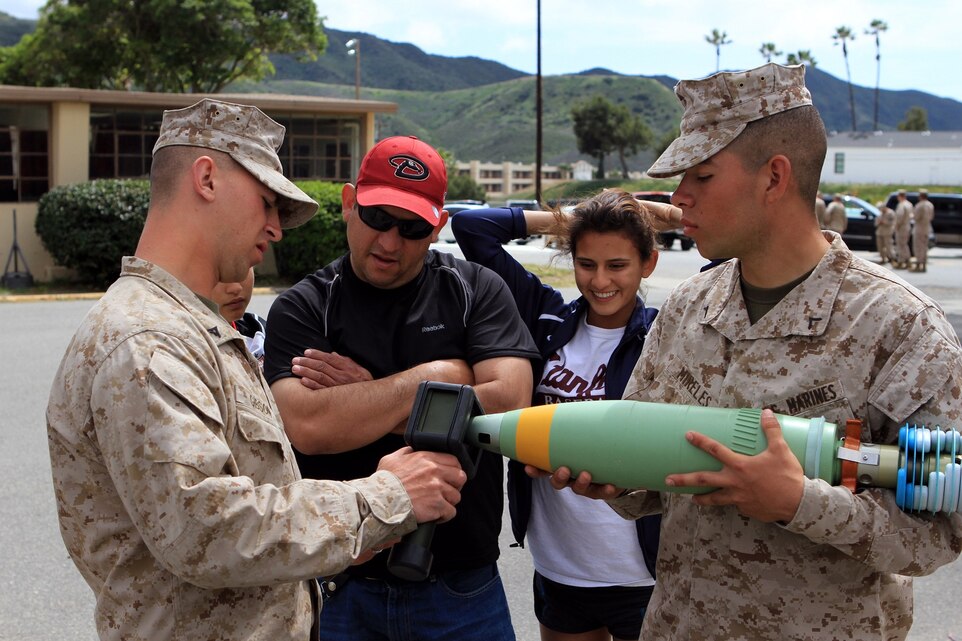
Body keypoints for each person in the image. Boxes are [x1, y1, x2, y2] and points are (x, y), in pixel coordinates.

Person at [542, 63, 962, 641]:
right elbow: (652, 477)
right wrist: (617, 482)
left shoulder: (901, 328)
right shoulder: (690, 307)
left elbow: (937, 533)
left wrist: (797, 502)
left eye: (702, 176)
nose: (679, 196)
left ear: (774, 177)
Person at [46, 99, 468, 641]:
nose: (275, 228)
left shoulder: (189, 327)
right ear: (206, 178)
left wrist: (355, 522)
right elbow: (207, 528)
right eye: (267, 202)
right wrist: (385, 497)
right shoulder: (148, 340)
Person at [263, 135, 540, 641]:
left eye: (411, 227)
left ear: (437, 226)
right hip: (342, 583)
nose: (390, 242)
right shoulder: (304, 307)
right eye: (376, 218)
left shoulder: (475, 289)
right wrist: (449, 376)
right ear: (350, 203)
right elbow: (308, 426)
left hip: (461, 585)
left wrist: (364, 395)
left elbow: (510, 401)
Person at [453, 189, 670, 641]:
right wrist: (569, 221)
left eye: (618, 265)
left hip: (643, 573)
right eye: (586, 263)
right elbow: (473, 229)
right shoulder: (545, 315)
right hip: (561, 566)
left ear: (648, 264)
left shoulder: (666, 336)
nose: (599, 280)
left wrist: (673, 216)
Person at [211, 266, 267, 364]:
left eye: (242, 269)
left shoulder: (260, 331)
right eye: (219, 274)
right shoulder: (183, 346)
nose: (235, 288)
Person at [912, 189, 935, 272]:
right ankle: (924, 264)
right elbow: (931, 217)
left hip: (919, 228)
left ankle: (919, 264)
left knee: (918, 247)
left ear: (921, 196)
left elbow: (916, 217)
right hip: (927, 228)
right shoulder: (930, 205)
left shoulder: (920, 205)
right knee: (925, 247)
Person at [893, 188, 914, 268]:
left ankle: (901, 261)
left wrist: (897, 226)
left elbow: (899, 217)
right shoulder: (909, 204)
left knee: (900, 245)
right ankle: (907, 260)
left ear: (900, 196)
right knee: (904, 244)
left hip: (901, 227)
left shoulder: (901, 205)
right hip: (907, 226)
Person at [874, 200, 896, 265]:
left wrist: (885, 222)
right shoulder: (880, 214)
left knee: (889, 246)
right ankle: (883, 258)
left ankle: (892, 258)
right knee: (880, 246)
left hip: (888, 231)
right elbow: (876, 223)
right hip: (880, 232)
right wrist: (879, 222)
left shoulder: (890, 213)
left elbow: (893, 222)